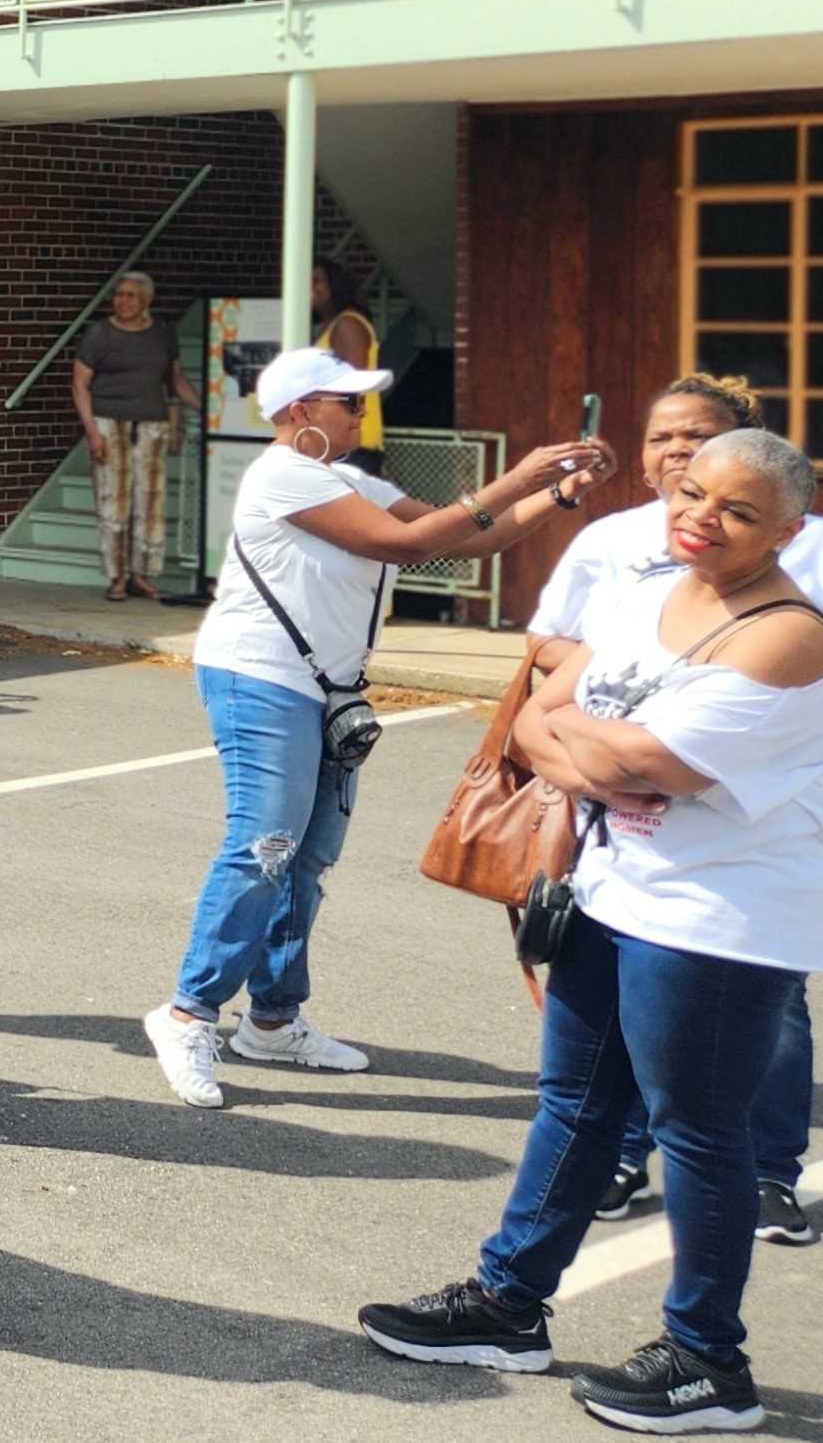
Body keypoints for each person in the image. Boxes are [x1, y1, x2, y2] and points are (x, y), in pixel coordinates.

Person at [358, 428, 823, 1435]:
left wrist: (588, 746)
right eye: (693, 488)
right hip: (613, 889)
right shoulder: (645, 592)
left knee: (698, 1132)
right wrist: (594, 749)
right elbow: (535, 722)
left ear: (786, 531)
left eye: (738, 509)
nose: (702, 514)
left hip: (719, 918)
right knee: (575, 1105)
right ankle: (507, 1302)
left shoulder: (786, 631)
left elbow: (647, 761)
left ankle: (707, 1358)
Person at [143, 345, 605, 1112]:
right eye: (345, 401)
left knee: (307, 857)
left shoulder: (350, 481)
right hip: (260, 675)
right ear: (297, 412)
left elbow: (468, 539)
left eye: (359, 401)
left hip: (325, 689)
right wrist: (517, 477)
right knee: (265, 847)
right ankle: (189, 1012)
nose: (359, 412)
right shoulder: (283, 474)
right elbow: (407, 545)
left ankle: (272, 1019)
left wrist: (554, 497)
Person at [528, 374, 823, 1248]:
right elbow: (545, 675)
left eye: (696, 437)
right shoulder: (620, 547)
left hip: (730, 882)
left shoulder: (815, 557)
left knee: (746, 1048)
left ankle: (771, 1174)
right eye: (667, 441)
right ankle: (592, 1197)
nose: (677, 458)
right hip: (614, 861)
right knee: (594, 1088)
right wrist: (592, 752)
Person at [69, 270, 198, 601]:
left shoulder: (162, 334)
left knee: (150, 501)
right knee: (113, 501)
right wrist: (92, 432)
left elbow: (176, 380)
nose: (122, 300)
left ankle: (141, 575)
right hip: (109, 424)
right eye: (119, 294)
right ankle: (116, 577)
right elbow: (80, 385)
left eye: (131, 295)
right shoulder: (99, 334)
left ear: (146, 301)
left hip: (152, 425)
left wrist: (209, 410)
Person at [311, 262, 389, 474]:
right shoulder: (331, 325)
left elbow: (352, 383)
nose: (310, 287)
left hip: (351, 442)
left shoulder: (348, 324)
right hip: (335, 440)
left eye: (317, 280)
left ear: (335, 285)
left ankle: (476, 509)